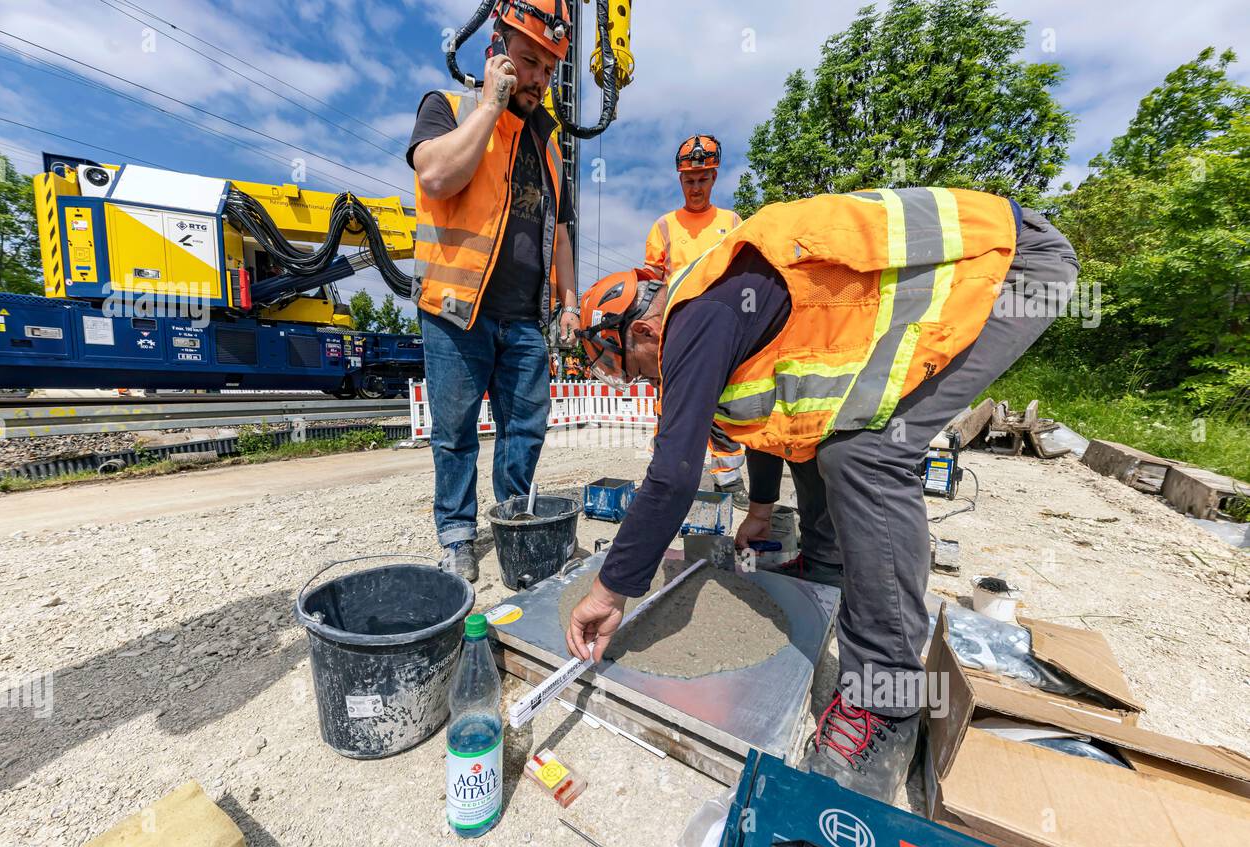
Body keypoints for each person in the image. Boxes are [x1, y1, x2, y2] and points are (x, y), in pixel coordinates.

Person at [565, 187, 1079, 802]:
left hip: (1011, 266)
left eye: (626, 363)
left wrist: (609, 590)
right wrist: (760, 510)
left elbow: (672, 476)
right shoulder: (717, 314)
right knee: (828, 431)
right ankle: (831, 571)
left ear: (645, 328)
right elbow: (782, 421)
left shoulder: (696, 314)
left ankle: (885, 704)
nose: (637, 380)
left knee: (867, 451)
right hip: (996, 259)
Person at [407, 0, 579, 582]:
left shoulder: (549, 144)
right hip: (457, 309)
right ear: (496, 49)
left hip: (526, 318)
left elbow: (559, 231)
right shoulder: (448, 108)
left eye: (548, 69)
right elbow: (436, 176)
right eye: (529, 61)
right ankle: (457, 534)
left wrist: (571, 303)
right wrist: (490, 106)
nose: (538, 78)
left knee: (525, 428)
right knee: (454, 432)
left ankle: (513, 522)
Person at [644, 134, 749, 509]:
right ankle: (665, 475)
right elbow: (652, 281)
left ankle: (729, 479)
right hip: (677, 330)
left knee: (721, 405)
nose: (696, 188)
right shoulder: (665, 226)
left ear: (714, 177)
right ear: (680, 180)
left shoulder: (731, 221)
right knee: (671, 408)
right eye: (689, 181)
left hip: (721, 330)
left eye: (703, 179)